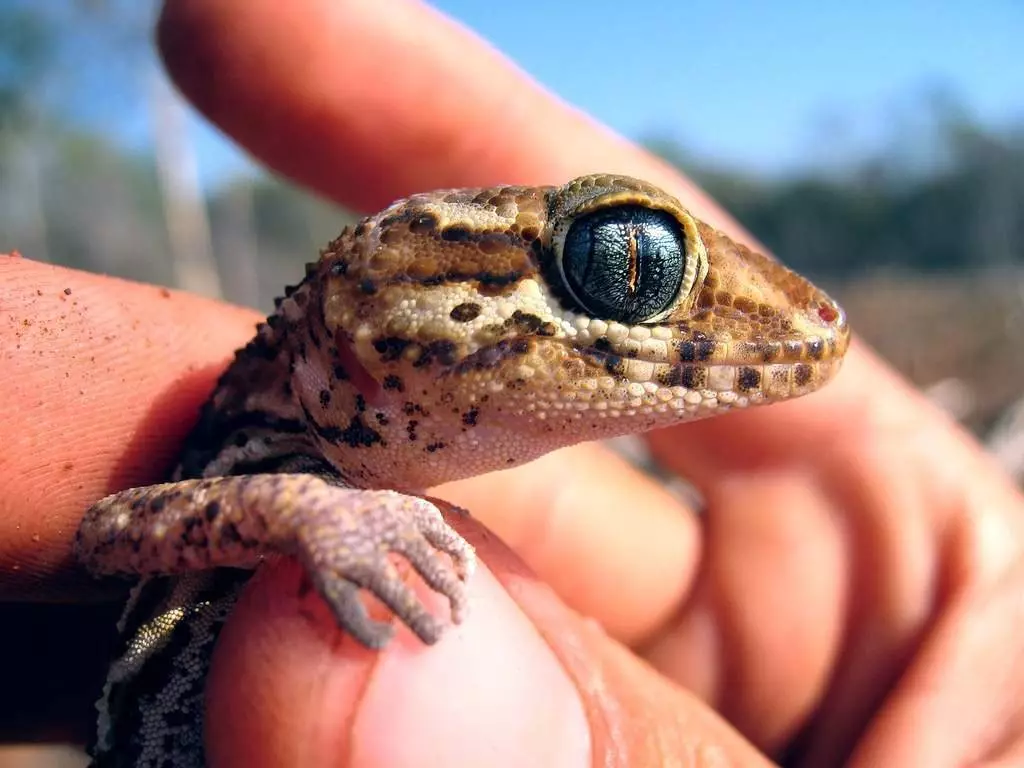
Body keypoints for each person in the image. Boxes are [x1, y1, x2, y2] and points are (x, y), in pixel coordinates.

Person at [3, 1, 1023, 765]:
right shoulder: (261, 464)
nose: (637, 282)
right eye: (628, 269)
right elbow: (105, 532)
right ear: (376, 306)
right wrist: (303, 515)